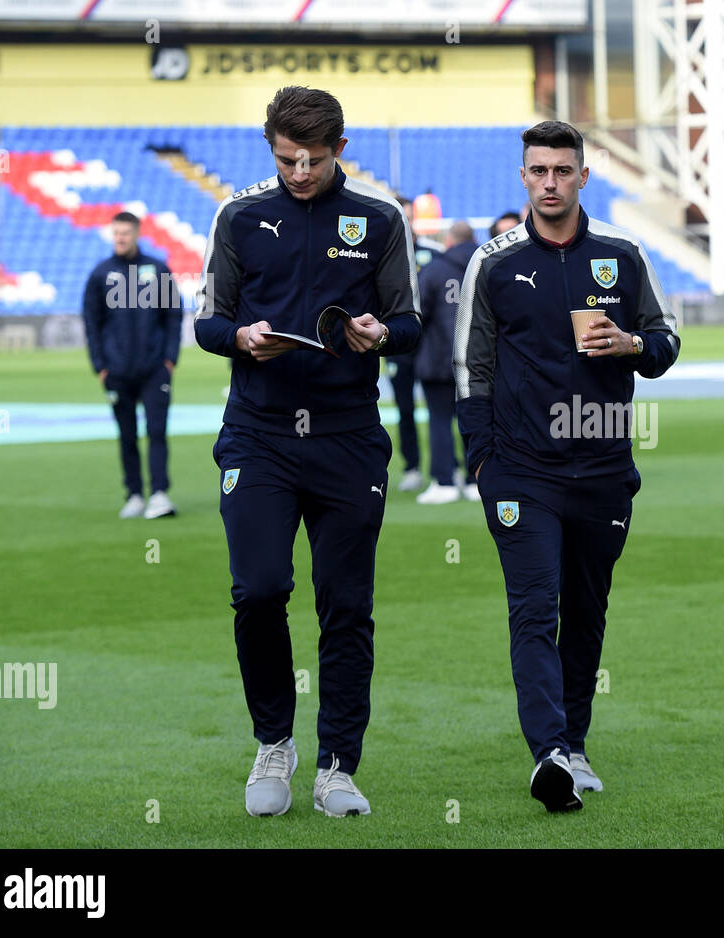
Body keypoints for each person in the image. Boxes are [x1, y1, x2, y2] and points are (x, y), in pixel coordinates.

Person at [193, 85, 421, 818]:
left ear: (340, 151)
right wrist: (240, 338)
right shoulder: (240, 216)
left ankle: (336, 766)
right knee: (258, 590)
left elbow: (410, 320)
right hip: (258, 437)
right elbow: (209, 322)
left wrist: (379, 333)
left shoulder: (380, 221)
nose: (300, 172)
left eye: (314, 160)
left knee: (346, 604)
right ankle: (273, 743)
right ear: (271, 148)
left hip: (348, 437)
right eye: (288, 159)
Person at [455, 120, 680, 812]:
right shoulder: (493, 262)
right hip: (522, 471)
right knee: (534, 609)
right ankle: (549, 751)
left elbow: (667, 343)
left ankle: (575, 744)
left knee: (586, 613)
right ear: (523, 177)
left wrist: (632, 343)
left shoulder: (622, 254)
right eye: (538, 171)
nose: (550, 182)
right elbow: (471, 369)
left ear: (584, 176)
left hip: (605, 467)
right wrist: (483, 462)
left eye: (562, 170)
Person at [81, 211, 182, 520]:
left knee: (156, 430)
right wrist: (100, 366)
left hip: (154, 370)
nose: (120, 238)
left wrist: (169, 360)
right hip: (117, 372)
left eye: (125, 233)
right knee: (126, 435)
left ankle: (160, 493)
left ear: (137, 234)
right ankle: (135, 494)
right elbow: (91, 322)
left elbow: (173, 316)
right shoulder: (101, 274)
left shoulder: (157, 269)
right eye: (116, 233)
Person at [414, 219, 479, 504]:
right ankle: (476, 479)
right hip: (479, 361)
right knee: (476, 419)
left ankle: (444, 481)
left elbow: (418, 314)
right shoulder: (487, 265)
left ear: (449, 241)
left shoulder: (434, 269)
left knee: (440, 420)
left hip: (438, 358)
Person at [384, 194, 445, 494]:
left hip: (431, 345)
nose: (406, 222)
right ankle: (412, 467)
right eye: (401, 216)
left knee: (442, 408)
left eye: (408, 216)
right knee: (405, 408)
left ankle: (447, 469)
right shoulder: (382, 254)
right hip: (397, 345)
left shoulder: (433, 252)